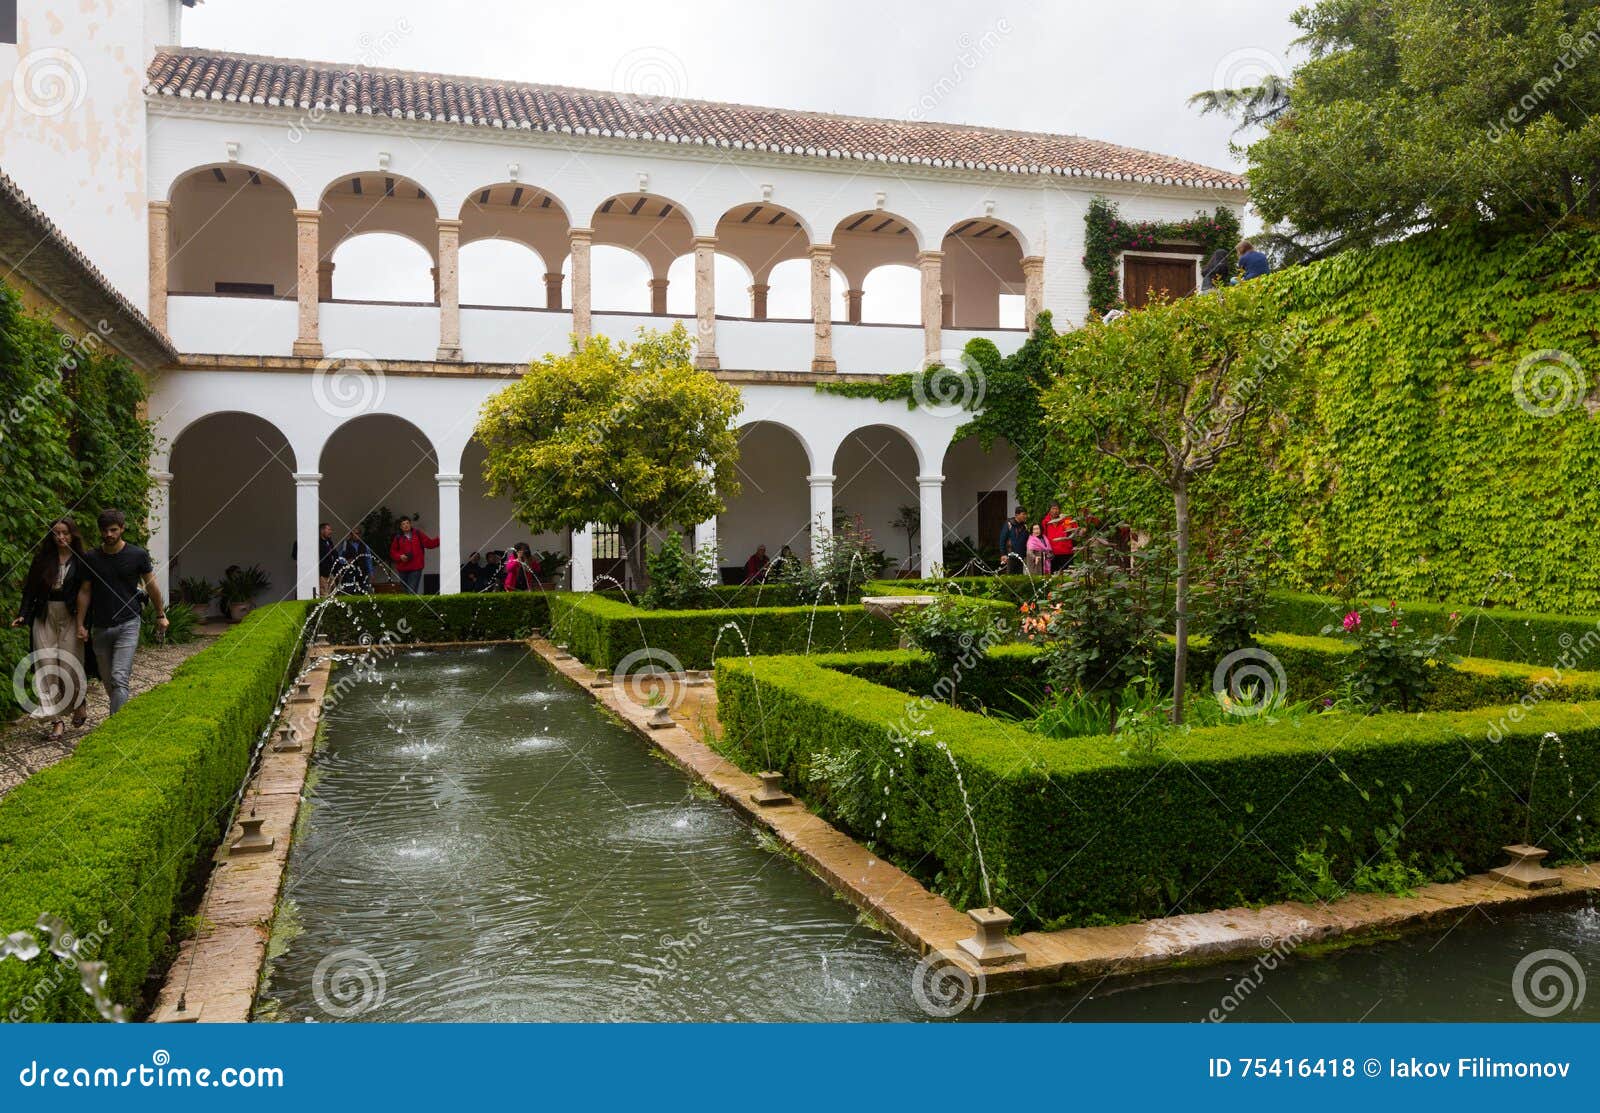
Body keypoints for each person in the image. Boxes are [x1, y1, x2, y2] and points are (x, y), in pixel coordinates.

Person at [76, 508, 166, 716]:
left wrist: (160, 614)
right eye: (105, 530)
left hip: (128, 623)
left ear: (122, 528)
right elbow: (85, 591)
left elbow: (151, 585)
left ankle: (115, 724)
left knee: (119, 677)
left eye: (113, 530)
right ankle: (121, 711)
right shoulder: (91, 557)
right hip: (100, 625)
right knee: (108, 679)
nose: (109, 534)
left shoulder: (137, 555)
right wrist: (80, 624)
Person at [11, 518, 93, 739]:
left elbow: (88, 594)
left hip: (72, 616)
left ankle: (79, 702)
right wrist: (23, 614)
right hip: (44, 615)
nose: (61, 537)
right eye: (56, 533)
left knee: (70, 665)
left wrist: (85, 624)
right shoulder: (42, 560)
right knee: (45, 665)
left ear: (73, 534)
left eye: (65, 532)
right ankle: (56, 721)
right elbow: (30, 590)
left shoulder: (83, 560)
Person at [389, 516, 438, 594]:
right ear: (401, 527)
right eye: (403, 524)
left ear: (410, 524)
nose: (406, 525)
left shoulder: (418, 534)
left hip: (416, 568)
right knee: (405, 592)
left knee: (411, 591)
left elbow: (429, 544)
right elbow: (392, 552)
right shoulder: (398, 537)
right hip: (403, 568)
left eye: (407, 523)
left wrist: (441, 538)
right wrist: (400, 556)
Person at [337, 527, 374, 594]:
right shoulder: (345, 544)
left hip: (362, 571)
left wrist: (371, 572)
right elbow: (339, 557)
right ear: (351, 535)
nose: (357, 535)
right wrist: (346, 561)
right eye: (355, 533)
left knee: (363, 590)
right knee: (350, 590)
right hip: (350, 572)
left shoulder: (364, 545)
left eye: (358, 533)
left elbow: (368, 559)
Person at [1042, 502, 1075, 573]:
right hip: (1052, 554)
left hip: (1066, 552)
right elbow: (1043, 537)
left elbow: (1075, 531)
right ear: (1049, 510)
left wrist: (1072, 529)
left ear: (1059, 510)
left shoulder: (1066, 519)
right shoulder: (1045, 522)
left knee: (1068, 574)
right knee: (1054, 575)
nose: (1055, 511)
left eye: (1056, 509)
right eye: (1053, 509)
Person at [997, 506, 1029, 574]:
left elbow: (1027, 541)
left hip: (1021, 556)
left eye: (1026, 514)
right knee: (1010, 576)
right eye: (1023, 514)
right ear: (1017, 515)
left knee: (1020, 576)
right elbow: (1002, 540)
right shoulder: (1009, 524)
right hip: (1010, 556)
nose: (1025, 516)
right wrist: (1003, 554)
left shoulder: (1025, 526)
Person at [316, 522, 336, 596]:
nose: (331, 532)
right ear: (322, 531)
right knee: (325, 595)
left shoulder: (329, 542)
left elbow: (335, 554)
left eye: (331, 530)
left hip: (331, 573)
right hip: (323, 575)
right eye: (329, 529)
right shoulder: (318, 543)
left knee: (333, 595)